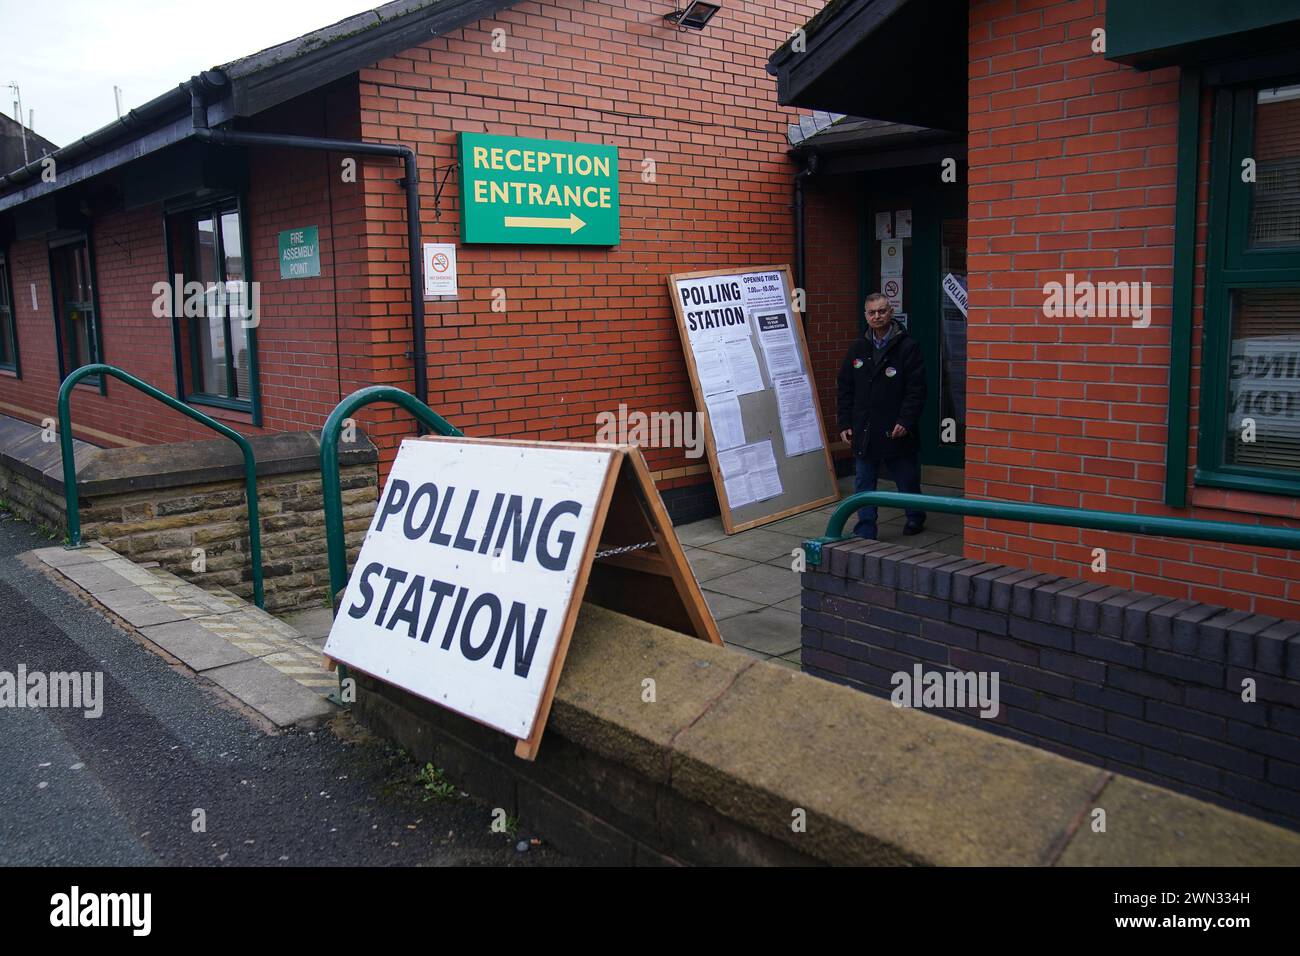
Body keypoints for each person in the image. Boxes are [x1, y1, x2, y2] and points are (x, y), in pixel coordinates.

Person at [836, 293, 927, 539]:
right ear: (866, 316)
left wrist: (906, 421)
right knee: (864, 484)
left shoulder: (908, 347)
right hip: (864, 430)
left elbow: (916, 390)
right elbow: (845, 387)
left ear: (891, 312)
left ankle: (915, 517)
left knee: (906, 481)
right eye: (872, 312)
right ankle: (865, 529)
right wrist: (844, 422)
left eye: (882, 311)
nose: (877, 316)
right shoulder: (858, 347)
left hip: (896, 430)